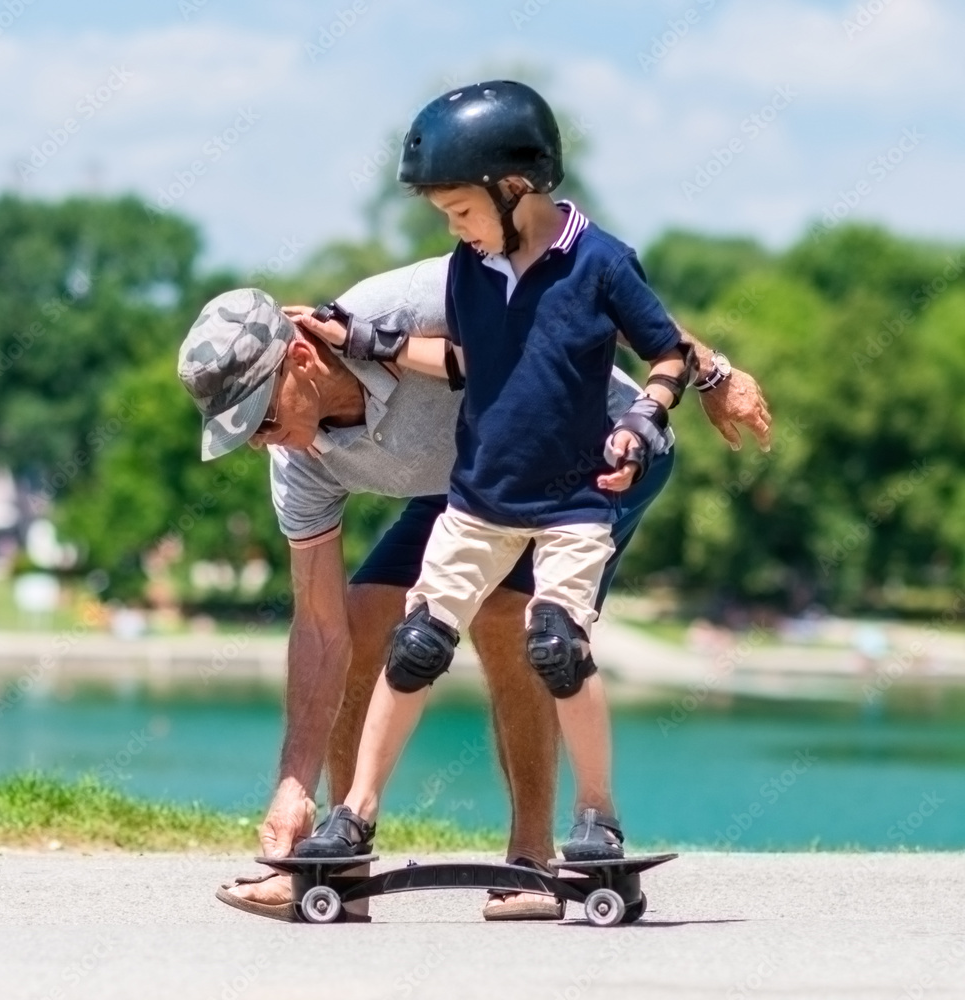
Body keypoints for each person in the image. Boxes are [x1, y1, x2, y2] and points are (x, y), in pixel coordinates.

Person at [178, 259, 771, 921]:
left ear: (301, 360)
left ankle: (531, 859)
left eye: (260, 419)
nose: (259, 444)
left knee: (504, 614)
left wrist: (712, 373)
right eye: (242, 433)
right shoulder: (298, 461)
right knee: (363, 616)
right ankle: (339, 859)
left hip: (595, 445)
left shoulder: (405, 307)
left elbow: (590, 293)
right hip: (473, 482)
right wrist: (293, 786)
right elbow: (319, 629)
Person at [289, 80, 696, 866]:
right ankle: (355, 814)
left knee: (557, 645)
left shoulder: (602, 263)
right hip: (476, 503)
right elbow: (464, 362)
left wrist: (645, 419)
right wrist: (368, 341)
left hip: (574, 503)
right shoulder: (471, 268)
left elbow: (668, 351)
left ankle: (597, 815)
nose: (454, 228)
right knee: (416, 643)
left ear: (515, 187)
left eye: (460, 211)